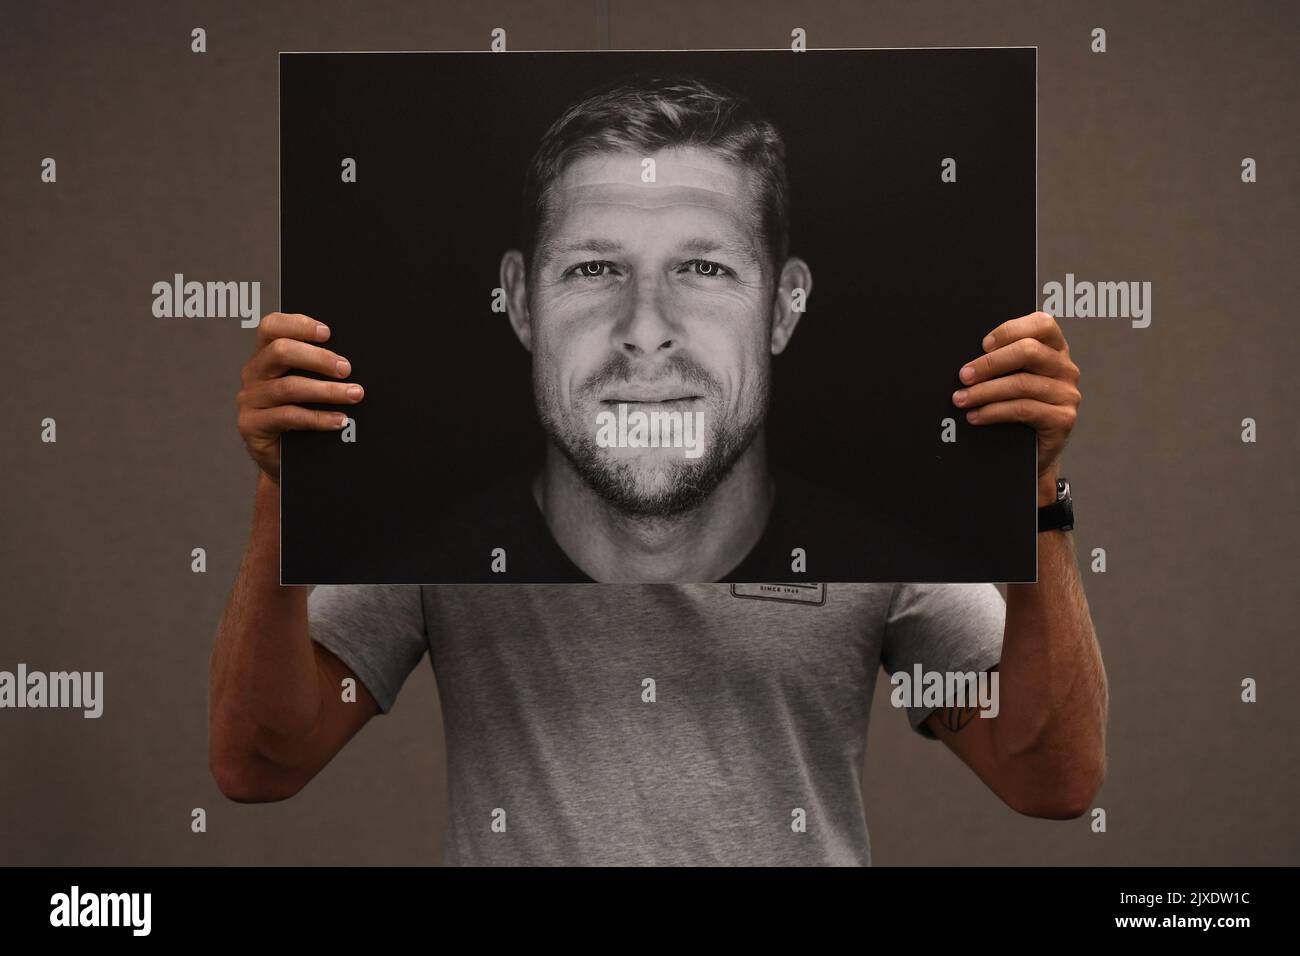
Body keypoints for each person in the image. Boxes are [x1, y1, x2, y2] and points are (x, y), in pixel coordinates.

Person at [210, 76, 1106, 865]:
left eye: (704, 268)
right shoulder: (440, 553)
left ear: (784, 306)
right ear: (521, 299)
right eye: (596, 267)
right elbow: (259, 762)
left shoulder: (875, 546)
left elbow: (1051, 779)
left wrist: (1030, 496)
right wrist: (286, 486)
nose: (646, 328)